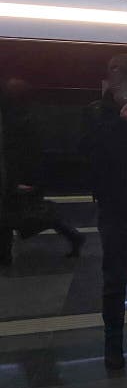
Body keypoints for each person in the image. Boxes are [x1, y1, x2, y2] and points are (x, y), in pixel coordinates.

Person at [82, 54, 127, 369]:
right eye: (123, 75)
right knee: (115, 280)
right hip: (115, 208)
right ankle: (112, 346)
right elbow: (89, 155)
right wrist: (119, 125)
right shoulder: (97, 113)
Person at [0, 79, 84, 265]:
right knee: (27, 212)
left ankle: (4, 256)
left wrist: (18, 179)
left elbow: (20, 152)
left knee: (11, 215)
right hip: (26, 173)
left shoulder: (17, 118)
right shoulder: (27, 115)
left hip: (20, 174)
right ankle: (73, 236)